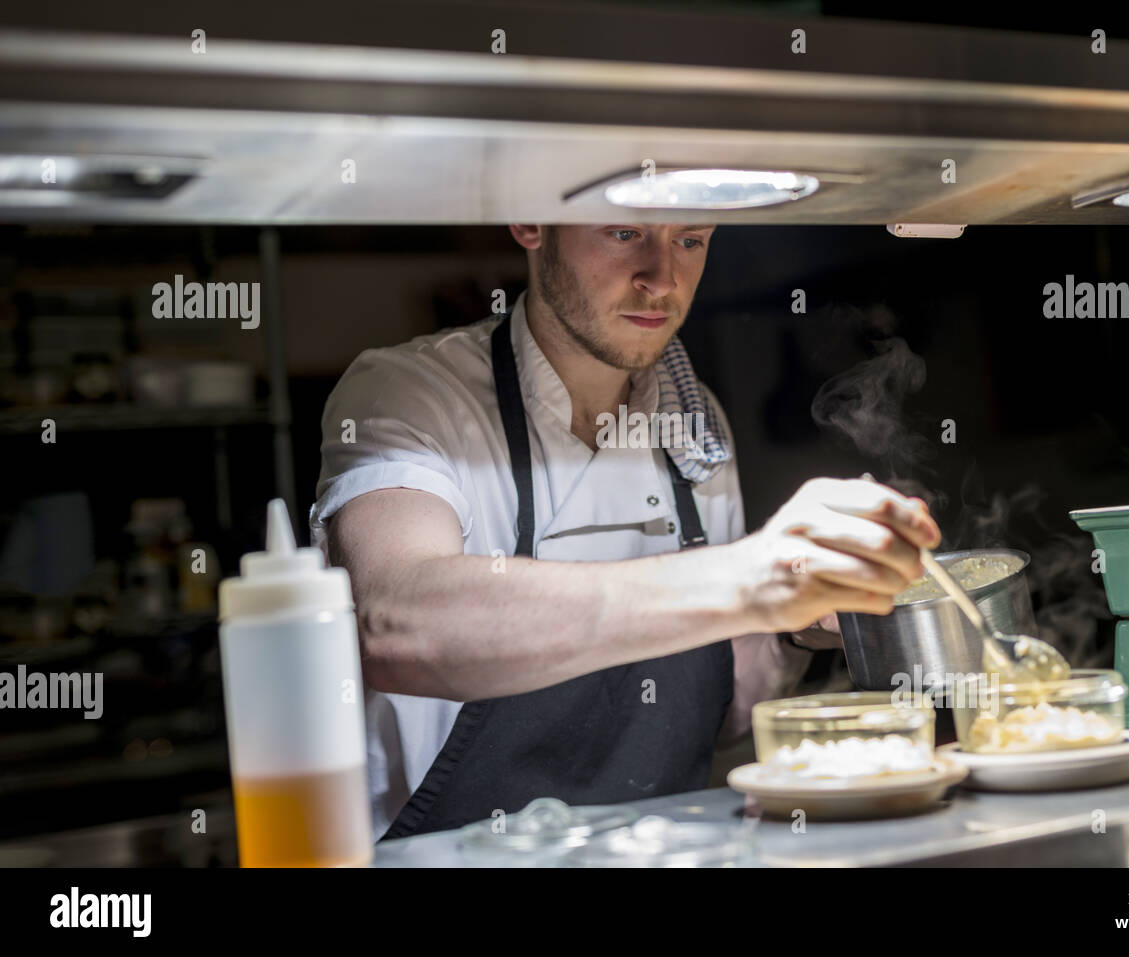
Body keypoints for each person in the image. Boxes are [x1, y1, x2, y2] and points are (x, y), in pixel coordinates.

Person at [310, 223, 941, 840]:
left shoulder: (694, 422)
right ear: (531, 221)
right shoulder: (411, 394)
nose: (662, 278)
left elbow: (722, 713)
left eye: (690, 240)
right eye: (623, 234)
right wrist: (750, 576)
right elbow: (400, 624)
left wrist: (799, 622)